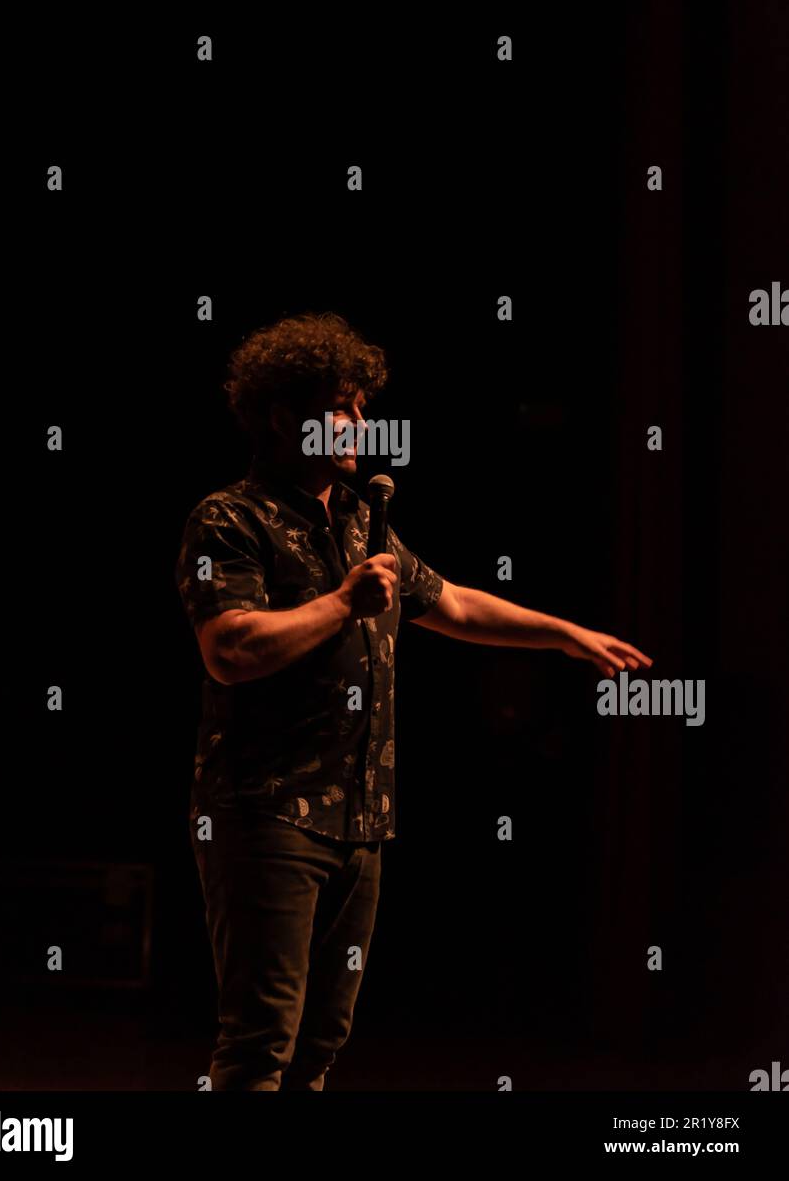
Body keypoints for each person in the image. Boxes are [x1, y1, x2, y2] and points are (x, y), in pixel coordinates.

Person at [174, 311, 652, 1090]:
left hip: (359, 818)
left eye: (365, 406)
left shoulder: (363, 521)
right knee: (262, 1041)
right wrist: (340, 603)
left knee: (322, 1043)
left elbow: (454, 604)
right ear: (282, 416)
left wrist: (565, 633)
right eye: (343, 407)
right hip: (265, 812)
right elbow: (229, 651)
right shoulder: (229, 518)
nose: (363, 422)